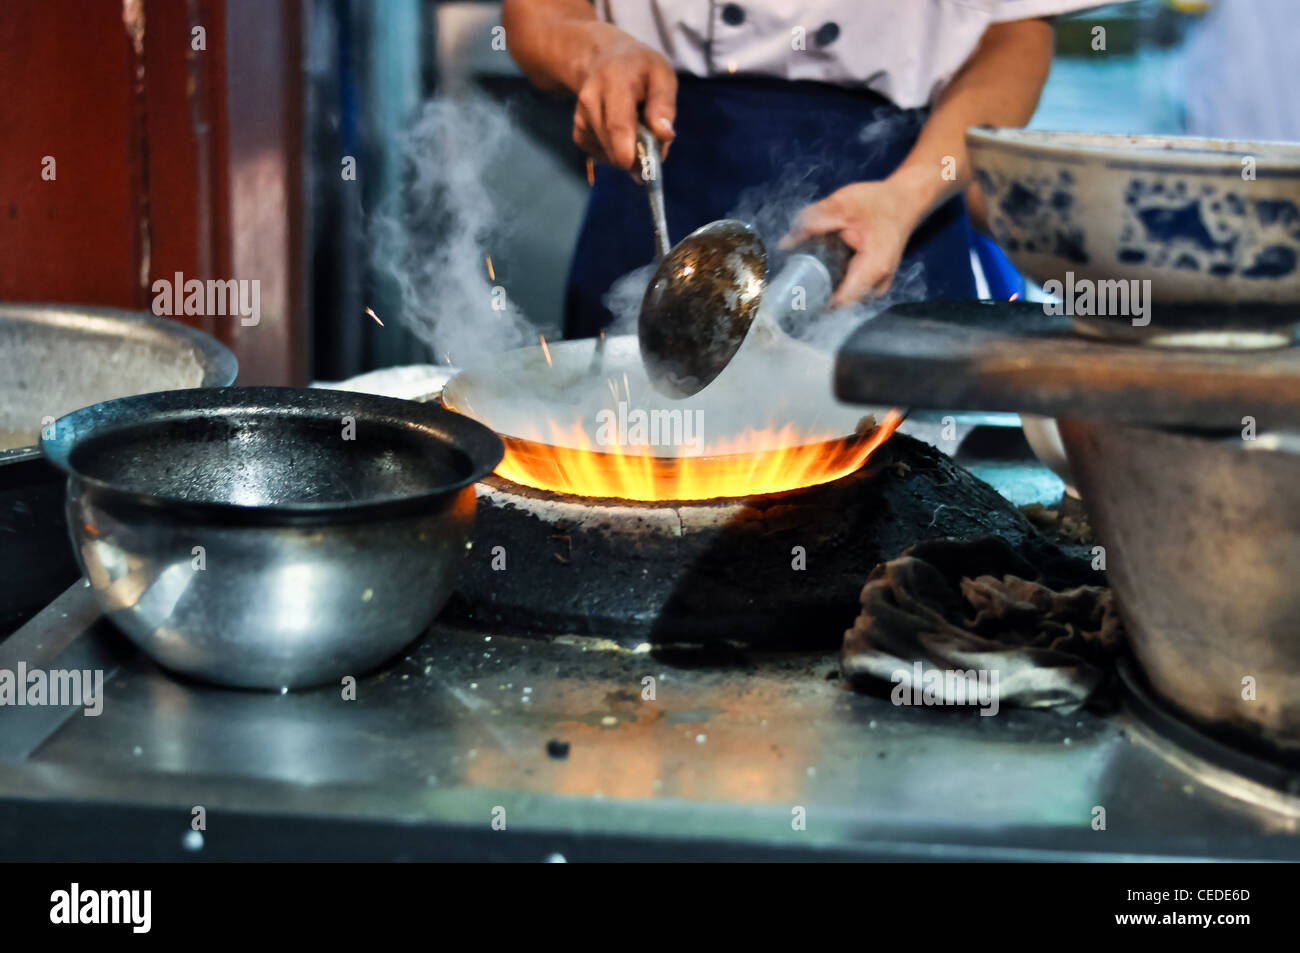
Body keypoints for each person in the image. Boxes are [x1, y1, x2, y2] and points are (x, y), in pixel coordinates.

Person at [503, 1, 1111, 338]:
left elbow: (1015, 37)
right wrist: (596, 52)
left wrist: (910, 192)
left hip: (898, 193)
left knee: (901, 509)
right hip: (657, 165)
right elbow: (540, 16)